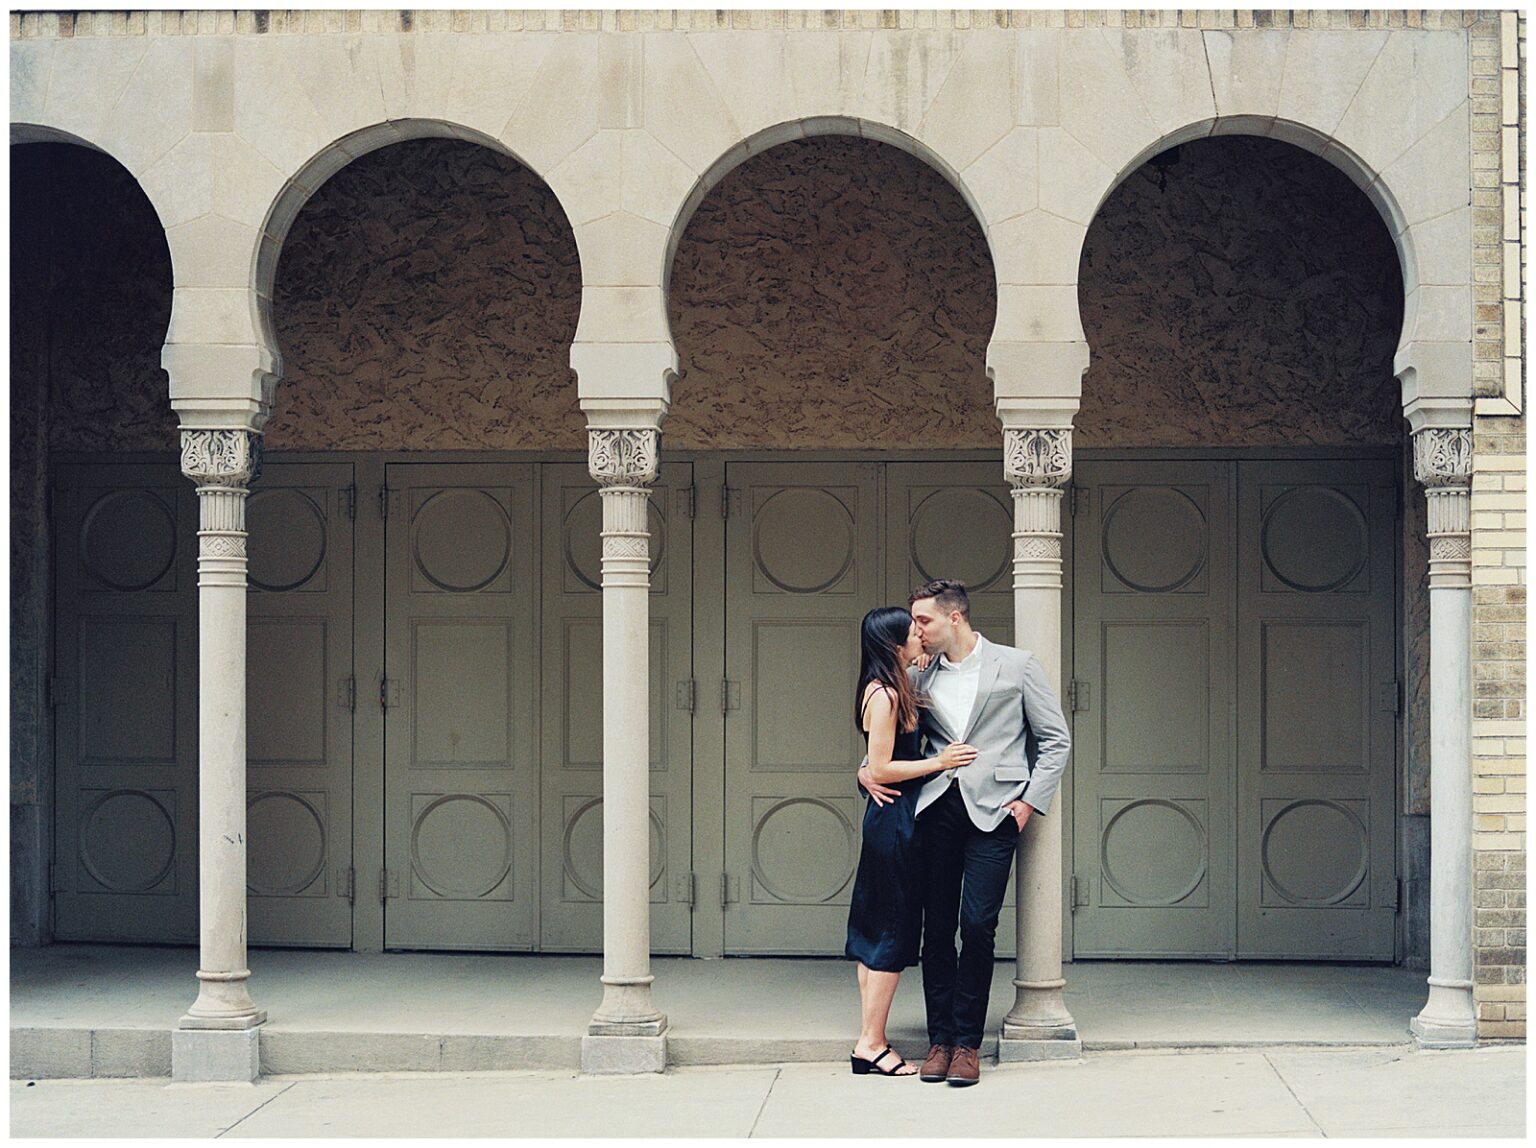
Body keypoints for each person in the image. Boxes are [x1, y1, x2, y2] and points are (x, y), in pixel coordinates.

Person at [859, 578, 1070, 1087]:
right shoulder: (917, 674)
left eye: (924, 621)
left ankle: (967, 1045)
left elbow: (1055, 739)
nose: (917, 631)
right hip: (934, 812)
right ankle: (940, 1041)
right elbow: (891, 741)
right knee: (937, 929)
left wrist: (1027, 803)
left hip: (995, 814)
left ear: (955, 617)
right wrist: (864, 770)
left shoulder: (1017, 667)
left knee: (977, 925)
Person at [845, 606, 977, 1077]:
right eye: (912, 632)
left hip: (891, 816)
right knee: (892, 933)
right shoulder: (884, 696)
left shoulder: (892, 683)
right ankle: (871, 1043)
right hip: (896, 820)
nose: (920, 635)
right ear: (894, 644)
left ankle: (869, 1038)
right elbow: (880, 767)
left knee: (877, 927)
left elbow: (873, 766)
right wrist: (940, 762)